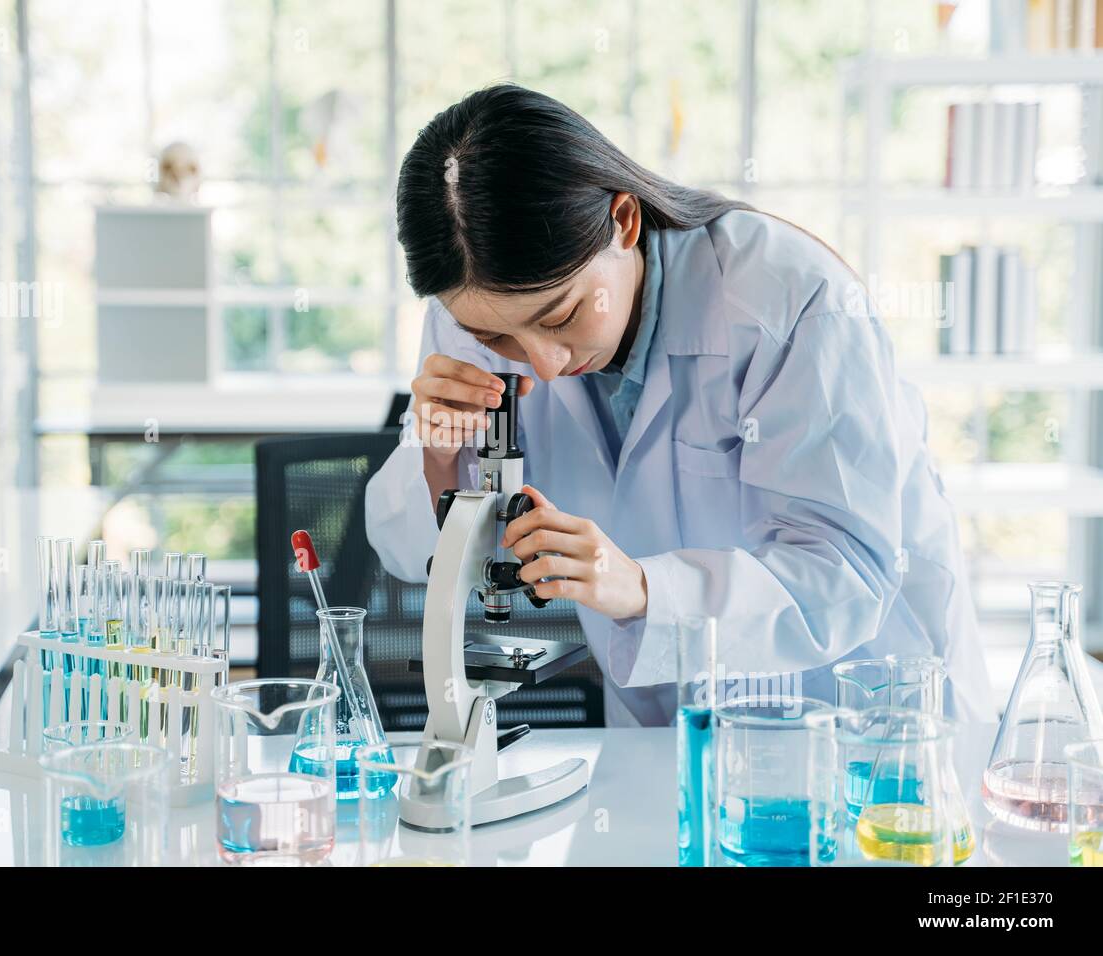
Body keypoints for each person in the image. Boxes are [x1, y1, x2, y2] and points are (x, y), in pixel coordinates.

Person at [365, 84, 994, 726]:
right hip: (663, 728)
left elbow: (843, 577)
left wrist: (641, 588)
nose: (544, 364)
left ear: (624, 222)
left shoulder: (788, 301)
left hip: (862, 719)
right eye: (497, 338)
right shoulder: (472, 314)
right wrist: (437, 459)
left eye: (562, 315)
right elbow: (402, 550)